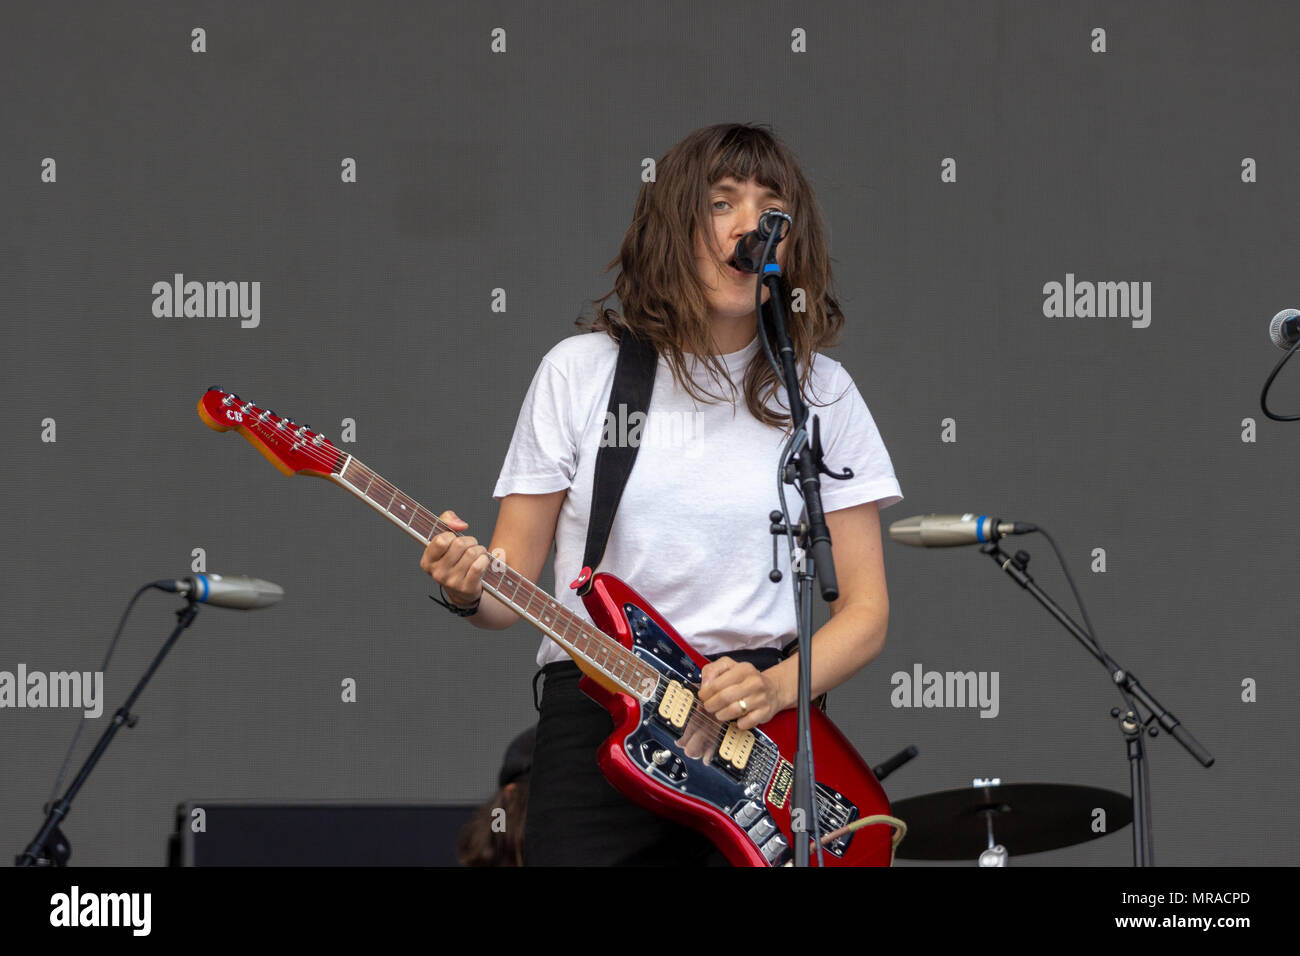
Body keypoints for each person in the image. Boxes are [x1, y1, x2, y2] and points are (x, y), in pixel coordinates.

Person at [420, 122, 902, 865]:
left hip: (758, 734)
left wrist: (775, 689)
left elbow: (865, 614)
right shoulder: (582, 374)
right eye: (721, 203)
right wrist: (462, 585)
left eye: (770, 207)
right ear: (675, 226)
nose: (750, 226)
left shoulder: (822, 395)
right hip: (600, 720)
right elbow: (501, 591)